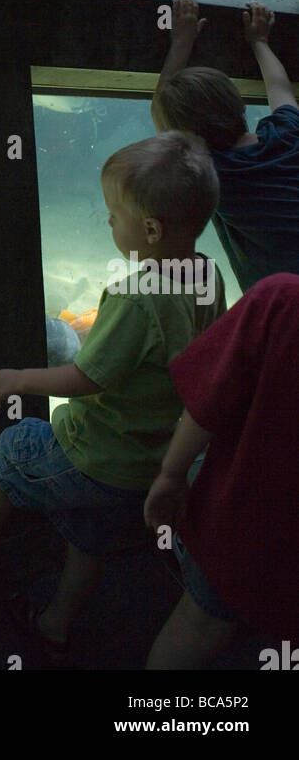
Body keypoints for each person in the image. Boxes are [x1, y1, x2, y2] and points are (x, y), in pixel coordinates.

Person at [0, 132, 226, 663]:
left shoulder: (136, 297)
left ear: (150, 230)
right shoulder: (206, 274)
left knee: (13, 448)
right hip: (152, 458)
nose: (109, 223)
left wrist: (19, 378)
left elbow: (89, 377)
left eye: (115, 215)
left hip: (96, 451)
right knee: (91, 535)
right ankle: (55, 625)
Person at [144, 273, 299, 669]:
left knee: (198, 626)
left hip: (243, 537)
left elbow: (207, 401)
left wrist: (170, 476)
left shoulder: (280, 300)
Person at [152, 0, 299, 290]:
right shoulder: (288, 134)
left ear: (185, 134)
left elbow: (159, 110)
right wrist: (259, 40)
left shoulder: (211, 172)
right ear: (238, 102)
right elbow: (279, 86)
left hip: (281, 305)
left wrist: (182, 41)